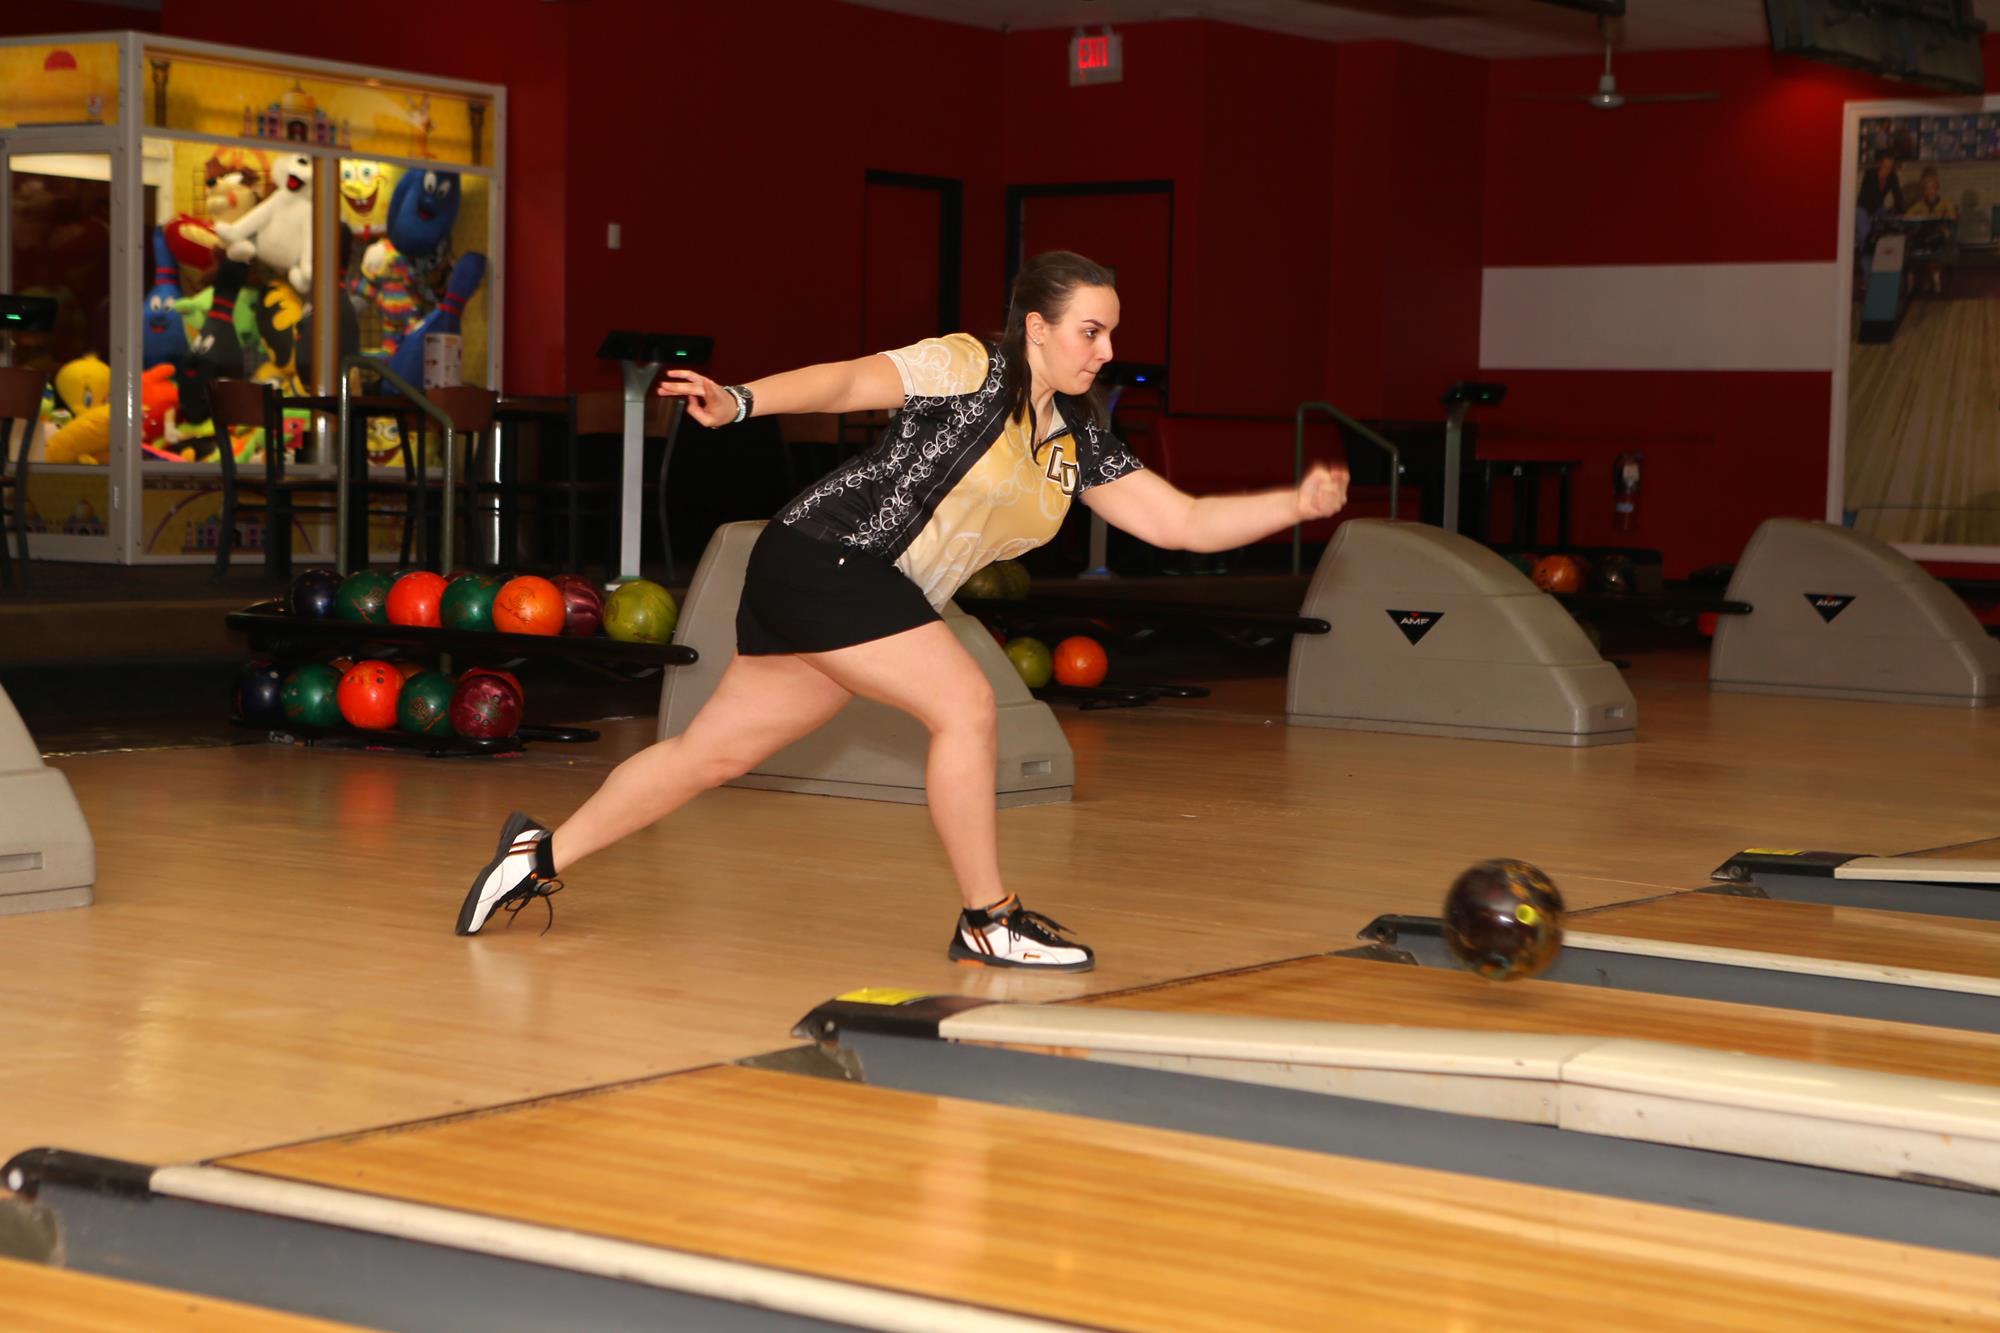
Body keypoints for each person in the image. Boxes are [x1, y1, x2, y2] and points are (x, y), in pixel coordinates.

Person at [454, 251, 1349, 971]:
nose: (1105, 351)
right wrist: (741, 401)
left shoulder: (1078, 443)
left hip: (857, 587)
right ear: (1036, 327)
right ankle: (989, 920)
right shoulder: (971, 365)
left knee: (708, 755)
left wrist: (1293, 505)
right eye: (1090, 331)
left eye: (1110, 334)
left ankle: (536, 856)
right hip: (827, 555)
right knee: (962, 706)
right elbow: (849, 382)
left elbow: (1183, 521)